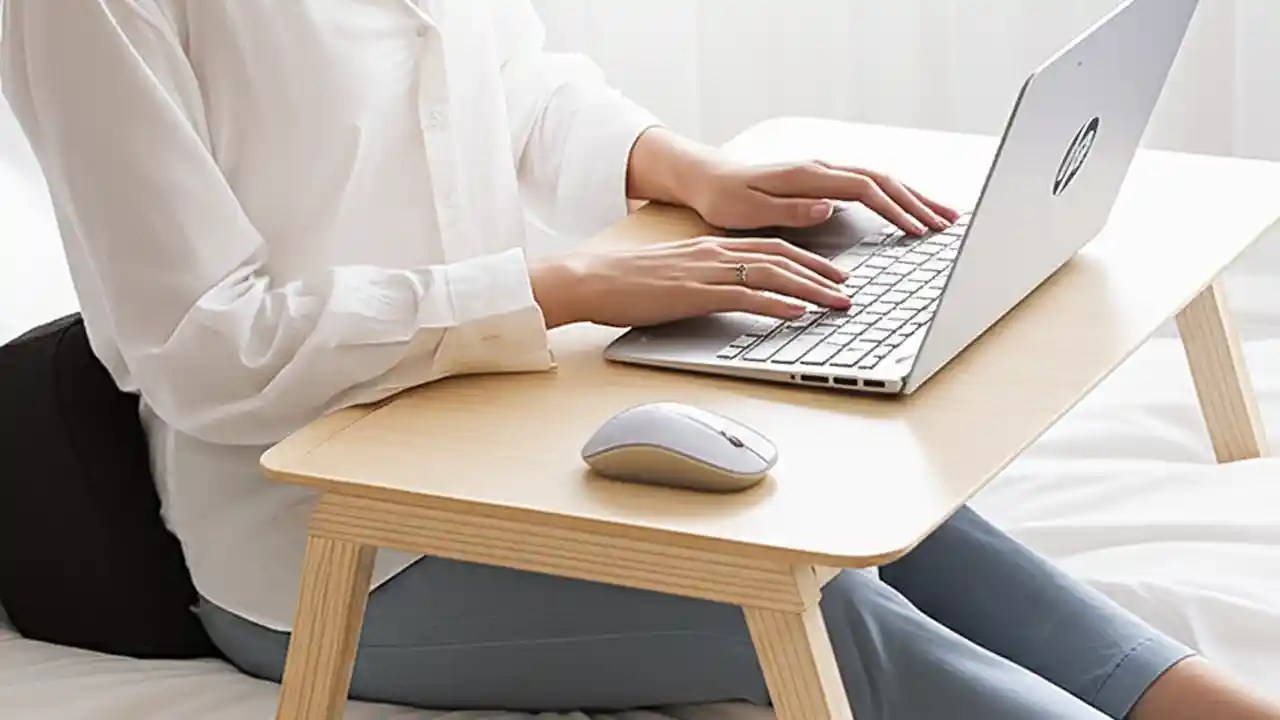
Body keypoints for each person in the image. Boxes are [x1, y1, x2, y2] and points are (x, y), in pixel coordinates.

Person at [3, 2, 1277, 718]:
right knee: (823, 608)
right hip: (325, 543)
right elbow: (196, 346)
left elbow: (517, 89)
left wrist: (681, 168)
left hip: (504, 423)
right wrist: (558, 289)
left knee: (886, 523)